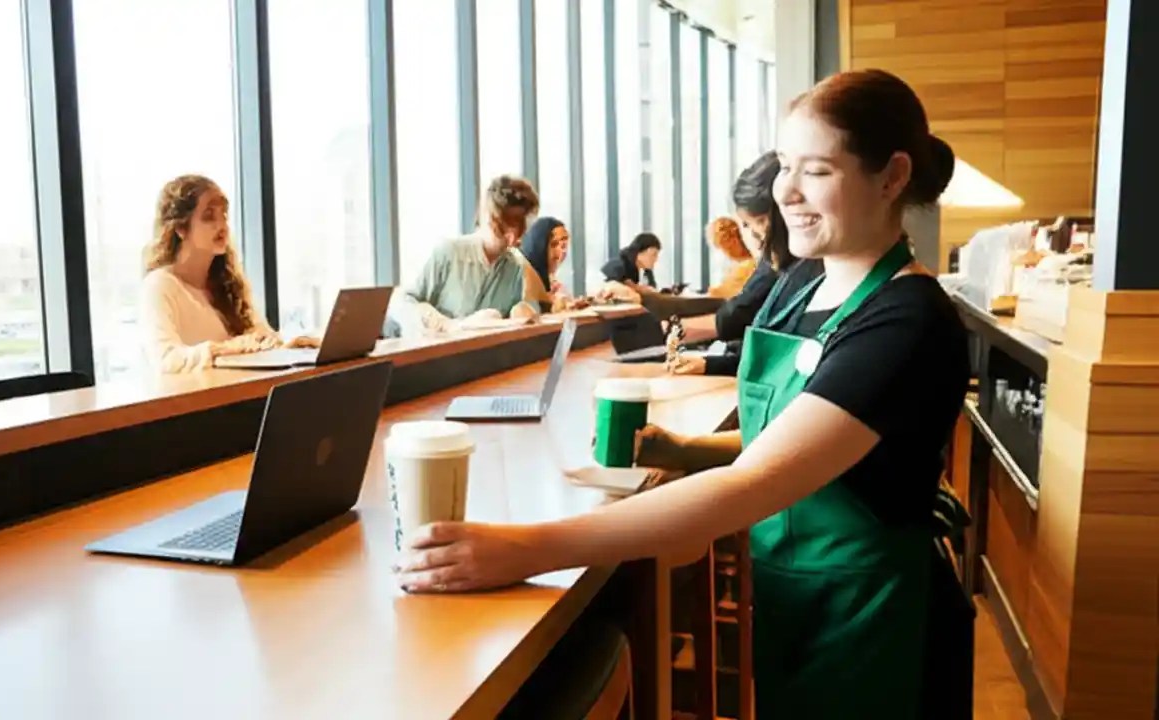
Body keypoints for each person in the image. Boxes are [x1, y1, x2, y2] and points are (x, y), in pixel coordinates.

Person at [394, 68, 971, 718]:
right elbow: (784, 437)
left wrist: (527, 547)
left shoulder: (906, 321)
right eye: (785, 164)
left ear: (892, 176)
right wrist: (679, 446)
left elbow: (750, 484)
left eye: (817, 171)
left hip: (876, 618)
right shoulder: (800, 286)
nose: (786, 192)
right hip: (797, 601)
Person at [139, 174, 318, 373]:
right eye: (209, 216)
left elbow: (260, 338)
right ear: (181, 228)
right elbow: (166, 360)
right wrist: (230, 348)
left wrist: (290, 345)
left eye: (224, 215)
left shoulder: (228, 283)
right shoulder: (159, 286)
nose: (222, 225)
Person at [672, 152, 824, 376]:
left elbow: (745, 319)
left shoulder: (801, 269)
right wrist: (710, 364)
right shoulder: (786, 267)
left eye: (759, 222)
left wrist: (680, 330)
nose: (755, 234)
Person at [392, 175, 544, 335]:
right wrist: (441, 323)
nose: (512, 239)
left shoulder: (514, 267)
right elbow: (402, 302)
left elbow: (529, 307)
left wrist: (525, 310)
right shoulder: (449, 252)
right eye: (503, 229)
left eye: (519, 230)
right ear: (488, 218)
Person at [517, 217, 587, 313]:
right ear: (538, 245)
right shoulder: (521, 276)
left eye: (564, 245)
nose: (561, 251)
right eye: (554, 245)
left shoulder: (553, 282)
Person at [599, 232, 661, 297]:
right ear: (638, 252)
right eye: (653, 255)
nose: (656, 259)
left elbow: (653, 291)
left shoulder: (647, 271)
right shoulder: (618, 265)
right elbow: (610, 287)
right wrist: (637, 288)